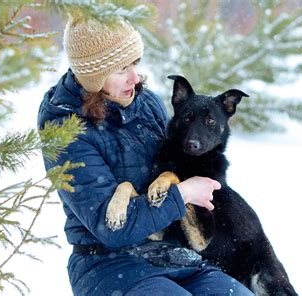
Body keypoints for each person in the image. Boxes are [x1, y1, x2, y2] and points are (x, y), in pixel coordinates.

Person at [38, 15, 254, 296]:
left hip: (173, 254)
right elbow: (110, 226)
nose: (135, 77)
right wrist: (184, 194)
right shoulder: (66, 128)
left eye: (135, 64)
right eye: (120, 69)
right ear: (94, 76)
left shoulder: (146, 102)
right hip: (107, 263)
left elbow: (179, 163)